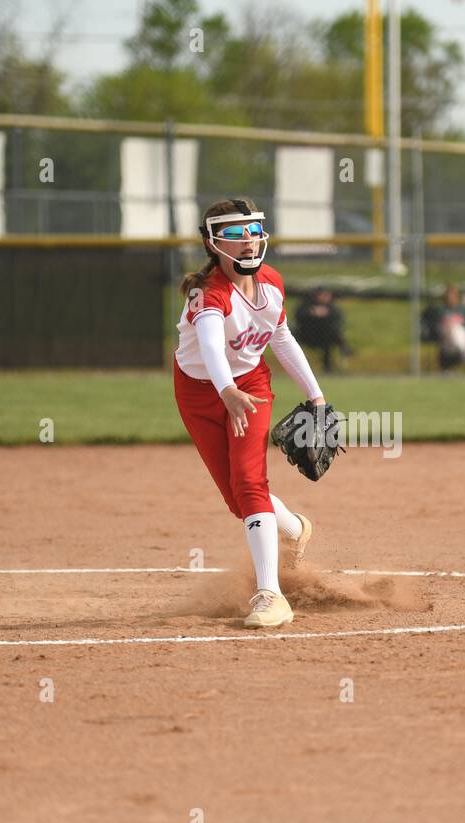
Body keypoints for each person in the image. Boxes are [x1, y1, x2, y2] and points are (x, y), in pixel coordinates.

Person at [173, 197, 326, 627]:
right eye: (235, 234)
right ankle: (295, 528)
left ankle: (270, 595)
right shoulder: (209, 294)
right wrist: (225, 390)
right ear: (212, 242)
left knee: (249, 481)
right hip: (200, 394)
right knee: (238, 501)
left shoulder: (271, 282)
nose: (248, 242)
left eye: (254, 231)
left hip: (252, 388)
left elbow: (281, 337)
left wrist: (316, 396)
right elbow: (208, 344)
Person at [422, 284, 465, 371]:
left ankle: (462, 354)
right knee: (452, 329)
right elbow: (432, 323)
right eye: (448, 296)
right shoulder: (439, 310)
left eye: (453, 296)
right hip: (444, 336)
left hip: (461, 336)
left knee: (457, 330)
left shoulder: (464, 309)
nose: (450, 298)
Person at [293, 286, 352, 372]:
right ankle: (298, 363)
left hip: (324, 337)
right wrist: (312, 313)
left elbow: (338, 316)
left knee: (332, 332)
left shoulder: (330, 306)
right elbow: (298, 315)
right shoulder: (306, 304)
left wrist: (326, 313)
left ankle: (330, 363)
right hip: (306, 335)